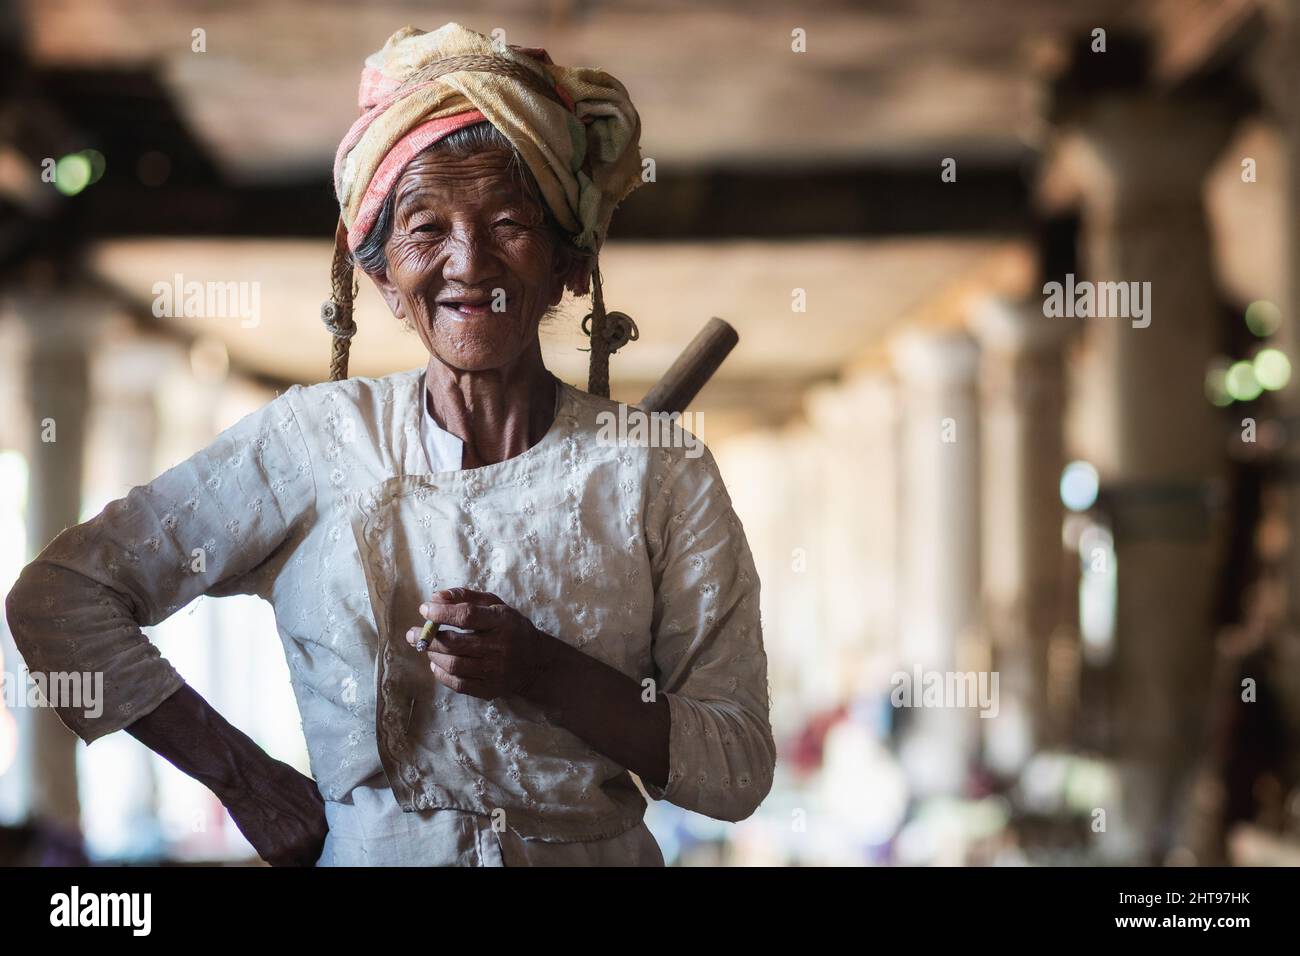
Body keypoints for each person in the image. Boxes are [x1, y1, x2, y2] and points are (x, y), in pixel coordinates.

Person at [5, 21, 775, 866]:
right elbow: (60, 600)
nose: (467, 261)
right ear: (382, 279)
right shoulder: (315, 442)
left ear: (570, 264)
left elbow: (735, 768)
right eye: (424, 226)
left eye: (511, 221)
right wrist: (244, 780)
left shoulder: (660, 474)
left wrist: (546, 672)